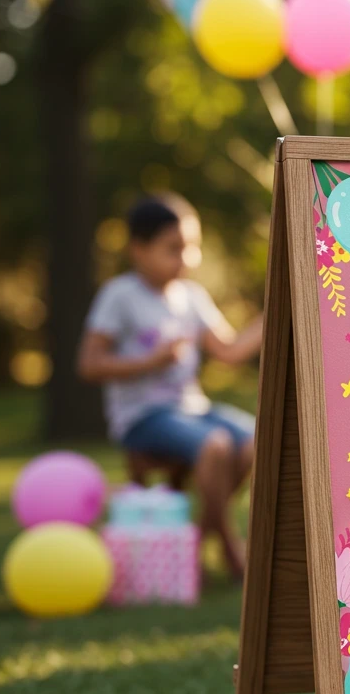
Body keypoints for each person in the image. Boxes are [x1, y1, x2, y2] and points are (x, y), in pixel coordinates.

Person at [78, 192, 263, 576]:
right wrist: (151, 360)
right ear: (138, 250)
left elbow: (228, 351)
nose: (188, 258)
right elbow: (89, 364)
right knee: (216, 445)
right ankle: (230, 547)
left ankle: (194, 536)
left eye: (192, 247)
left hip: (191, 409)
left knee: (256, 440)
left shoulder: (191, 297)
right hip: (142, 417)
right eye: (174, 248)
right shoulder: (120, 296)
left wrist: (280, 307)